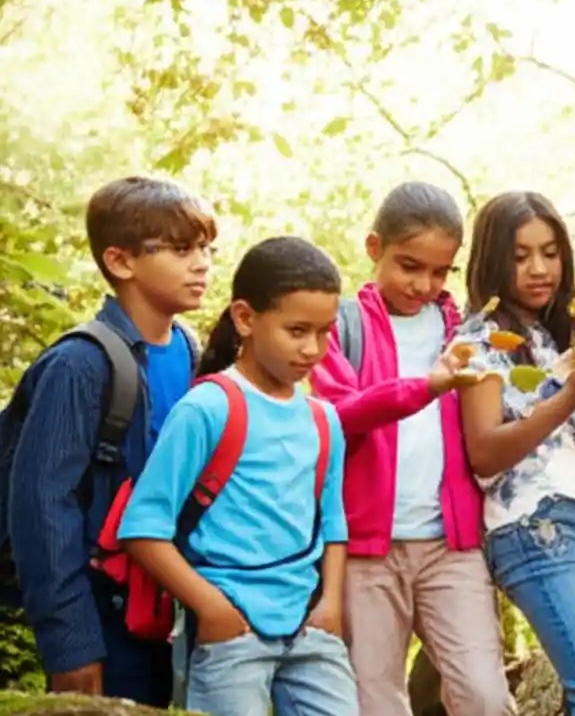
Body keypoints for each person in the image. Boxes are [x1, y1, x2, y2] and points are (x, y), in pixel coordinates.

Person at [117, 236, 357, 716]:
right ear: (245, 318)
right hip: (231, 633)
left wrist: (331, 604)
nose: (313, 348)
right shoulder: (208, 408)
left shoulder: (323, 419)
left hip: (310, 628)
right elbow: (142, 529)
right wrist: (211, 608)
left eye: (325, 332)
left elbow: (332, 522)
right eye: (297, 330)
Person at [0, 176, 212, 704]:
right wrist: (70, 643)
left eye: (206, 248)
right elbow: (42, 508)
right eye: (181, 249)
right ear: (120, 261)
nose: (202, 264)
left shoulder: (188, 350)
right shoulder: (79, 365)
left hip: (162, 605)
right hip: (100, 611)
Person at [309, 182, 512, 716]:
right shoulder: (340, 327)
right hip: (365, 550)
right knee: (374, 701)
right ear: (375, 248)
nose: (424, 284)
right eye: (409, 266)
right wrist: (424, 387)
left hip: (451, 545)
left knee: (485, 695)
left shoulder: (462, 330)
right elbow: (336, 416)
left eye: (440, 271)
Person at [457, 191, 575, 715]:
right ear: (492, 262)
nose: (539, 269)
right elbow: (484, 452)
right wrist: (570, 395)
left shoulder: (566, 335)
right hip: (534, 527)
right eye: (521, 256)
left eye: (550, 253)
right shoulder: (479, 342)